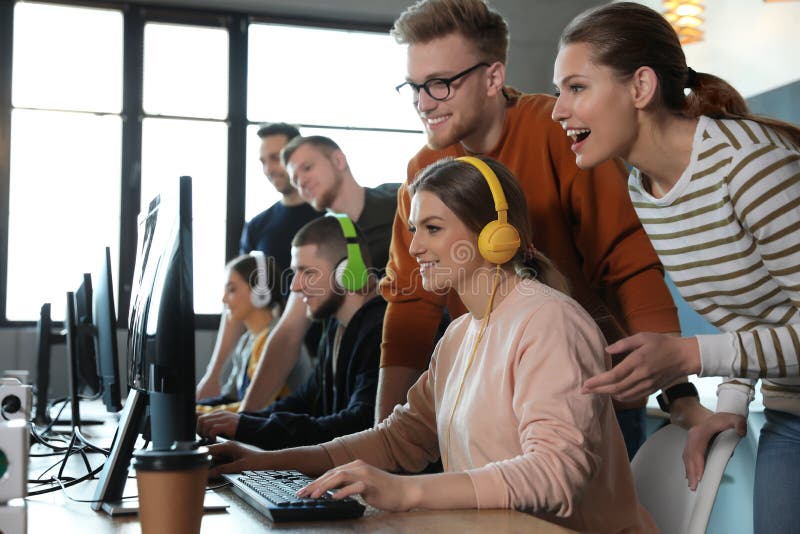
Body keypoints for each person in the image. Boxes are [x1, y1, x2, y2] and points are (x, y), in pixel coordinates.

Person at [208, 157, 655, 532]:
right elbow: (397, 440)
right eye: (413, 228)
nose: (415, 246)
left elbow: (555, 473)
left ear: (493, 234)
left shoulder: (550, 321)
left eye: (433, 228)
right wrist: (266, 462)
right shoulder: (459, 336)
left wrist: (407, 491)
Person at [377, 0, 680, 457]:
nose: (423, 103)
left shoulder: (563, 133)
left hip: (592, 388)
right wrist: (384, 440)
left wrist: (678, 394)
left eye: (440, 84)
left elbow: (627, 261)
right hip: (489, 396)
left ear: (493, 78)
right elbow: (410, 304)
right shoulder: (423, 170)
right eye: (415, 87)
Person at [551, 3, 800, 532]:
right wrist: (733, 402)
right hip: (791, 411)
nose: (558, 110)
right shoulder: (646, 188)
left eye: (576, 88)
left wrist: (689, 354)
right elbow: (752, 314)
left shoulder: (750, 167)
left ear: (641, 87)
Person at [235, 135, 398, 412]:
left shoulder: (398, 202)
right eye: (295, 178)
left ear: (338, 160)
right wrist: (244, 418)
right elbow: (288, 333)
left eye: (307, 168)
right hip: (360, 382)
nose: (301, 181)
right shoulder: (322, 239)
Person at [197, 215, 385, 450]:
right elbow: (305, 401)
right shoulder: (336, 328)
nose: (295, 286)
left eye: (307, 272)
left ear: (346, 271)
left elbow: (357, 425)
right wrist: (243, 422)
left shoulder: (379, 331)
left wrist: (246, 427)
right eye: (295, 272)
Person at [196, 123, 321, 401]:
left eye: (275, 158)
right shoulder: (257, 227)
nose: (268, 169)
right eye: (263, 161)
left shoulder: (327, 220)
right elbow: (238, 298)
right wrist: (213, 374)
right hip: (268, 354)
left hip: (316, 366)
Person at [196, 252, 311, 413]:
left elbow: (255, 409)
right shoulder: (247, 340)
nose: (224, 299)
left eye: (231, 289)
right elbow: (231, 398)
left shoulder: (273, 340)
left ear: (259, 292)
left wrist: (199, 413)